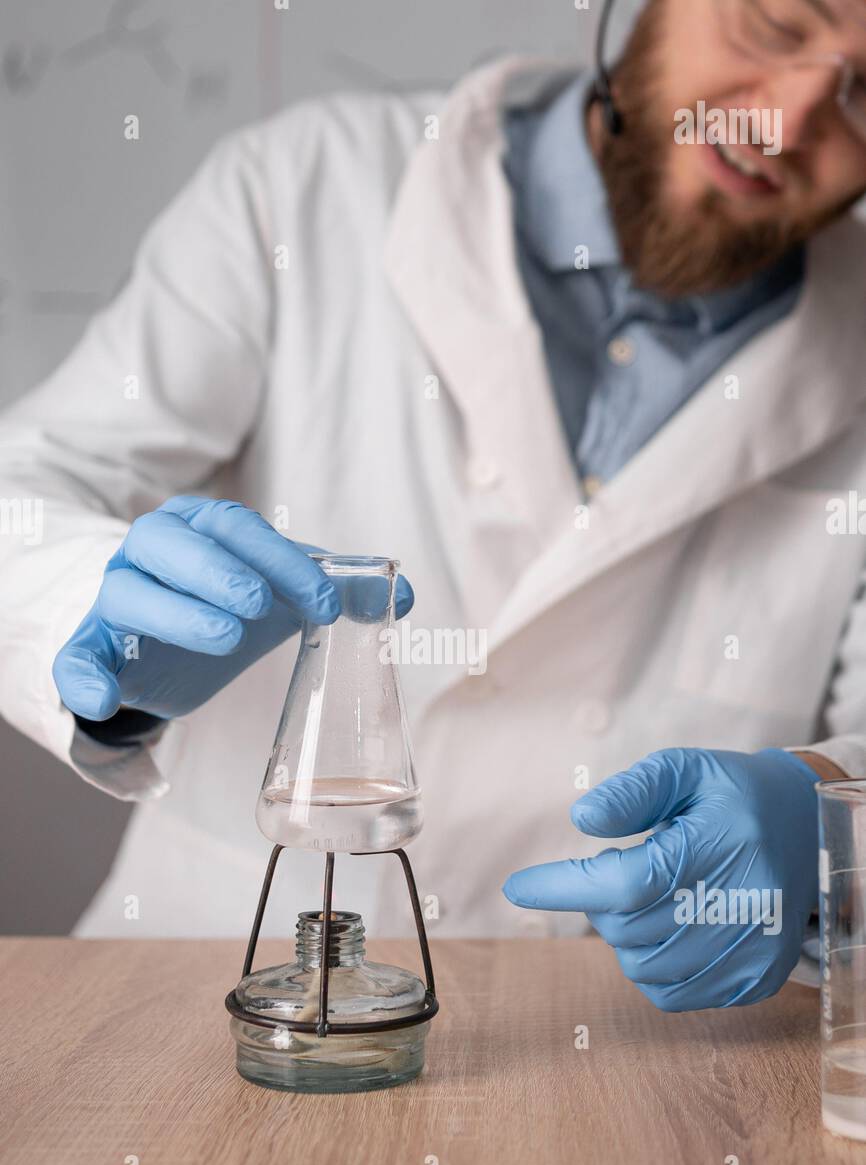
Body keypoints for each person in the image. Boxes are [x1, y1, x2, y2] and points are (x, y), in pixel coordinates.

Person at [2, 0, 866, 1011]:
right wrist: (90, 614)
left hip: (613, 1058)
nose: (791, 116)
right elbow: (26, 488)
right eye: (773, 22)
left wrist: (821, 817)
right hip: (185, 997)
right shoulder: (301, 192)